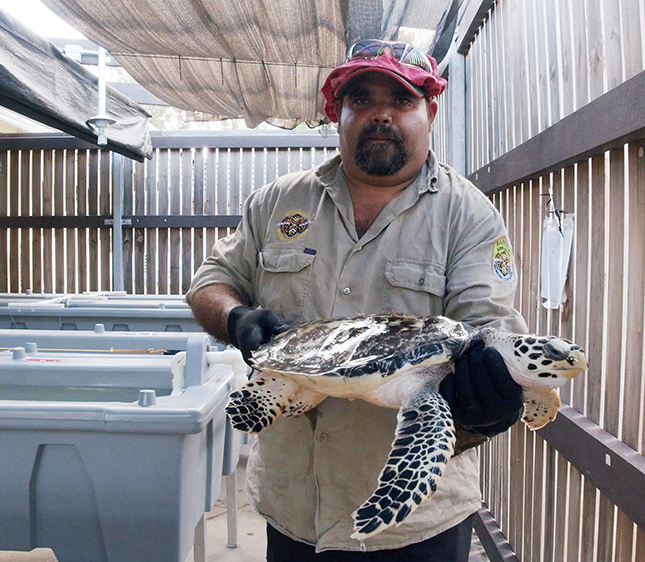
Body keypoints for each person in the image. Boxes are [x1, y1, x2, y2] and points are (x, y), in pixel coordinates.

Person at [186, 39, 527, 561]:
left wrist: (488, 402)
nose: (381, 115)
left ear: (429, 111)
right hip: (292, 505)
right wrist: (235, 318)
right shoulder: (278, 202)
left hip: (416, 522)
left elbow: (486, 329)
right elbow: (211, 281)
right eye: (362, 99)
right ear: (336, 112)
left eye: (403, 100)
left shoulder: (469, 217)